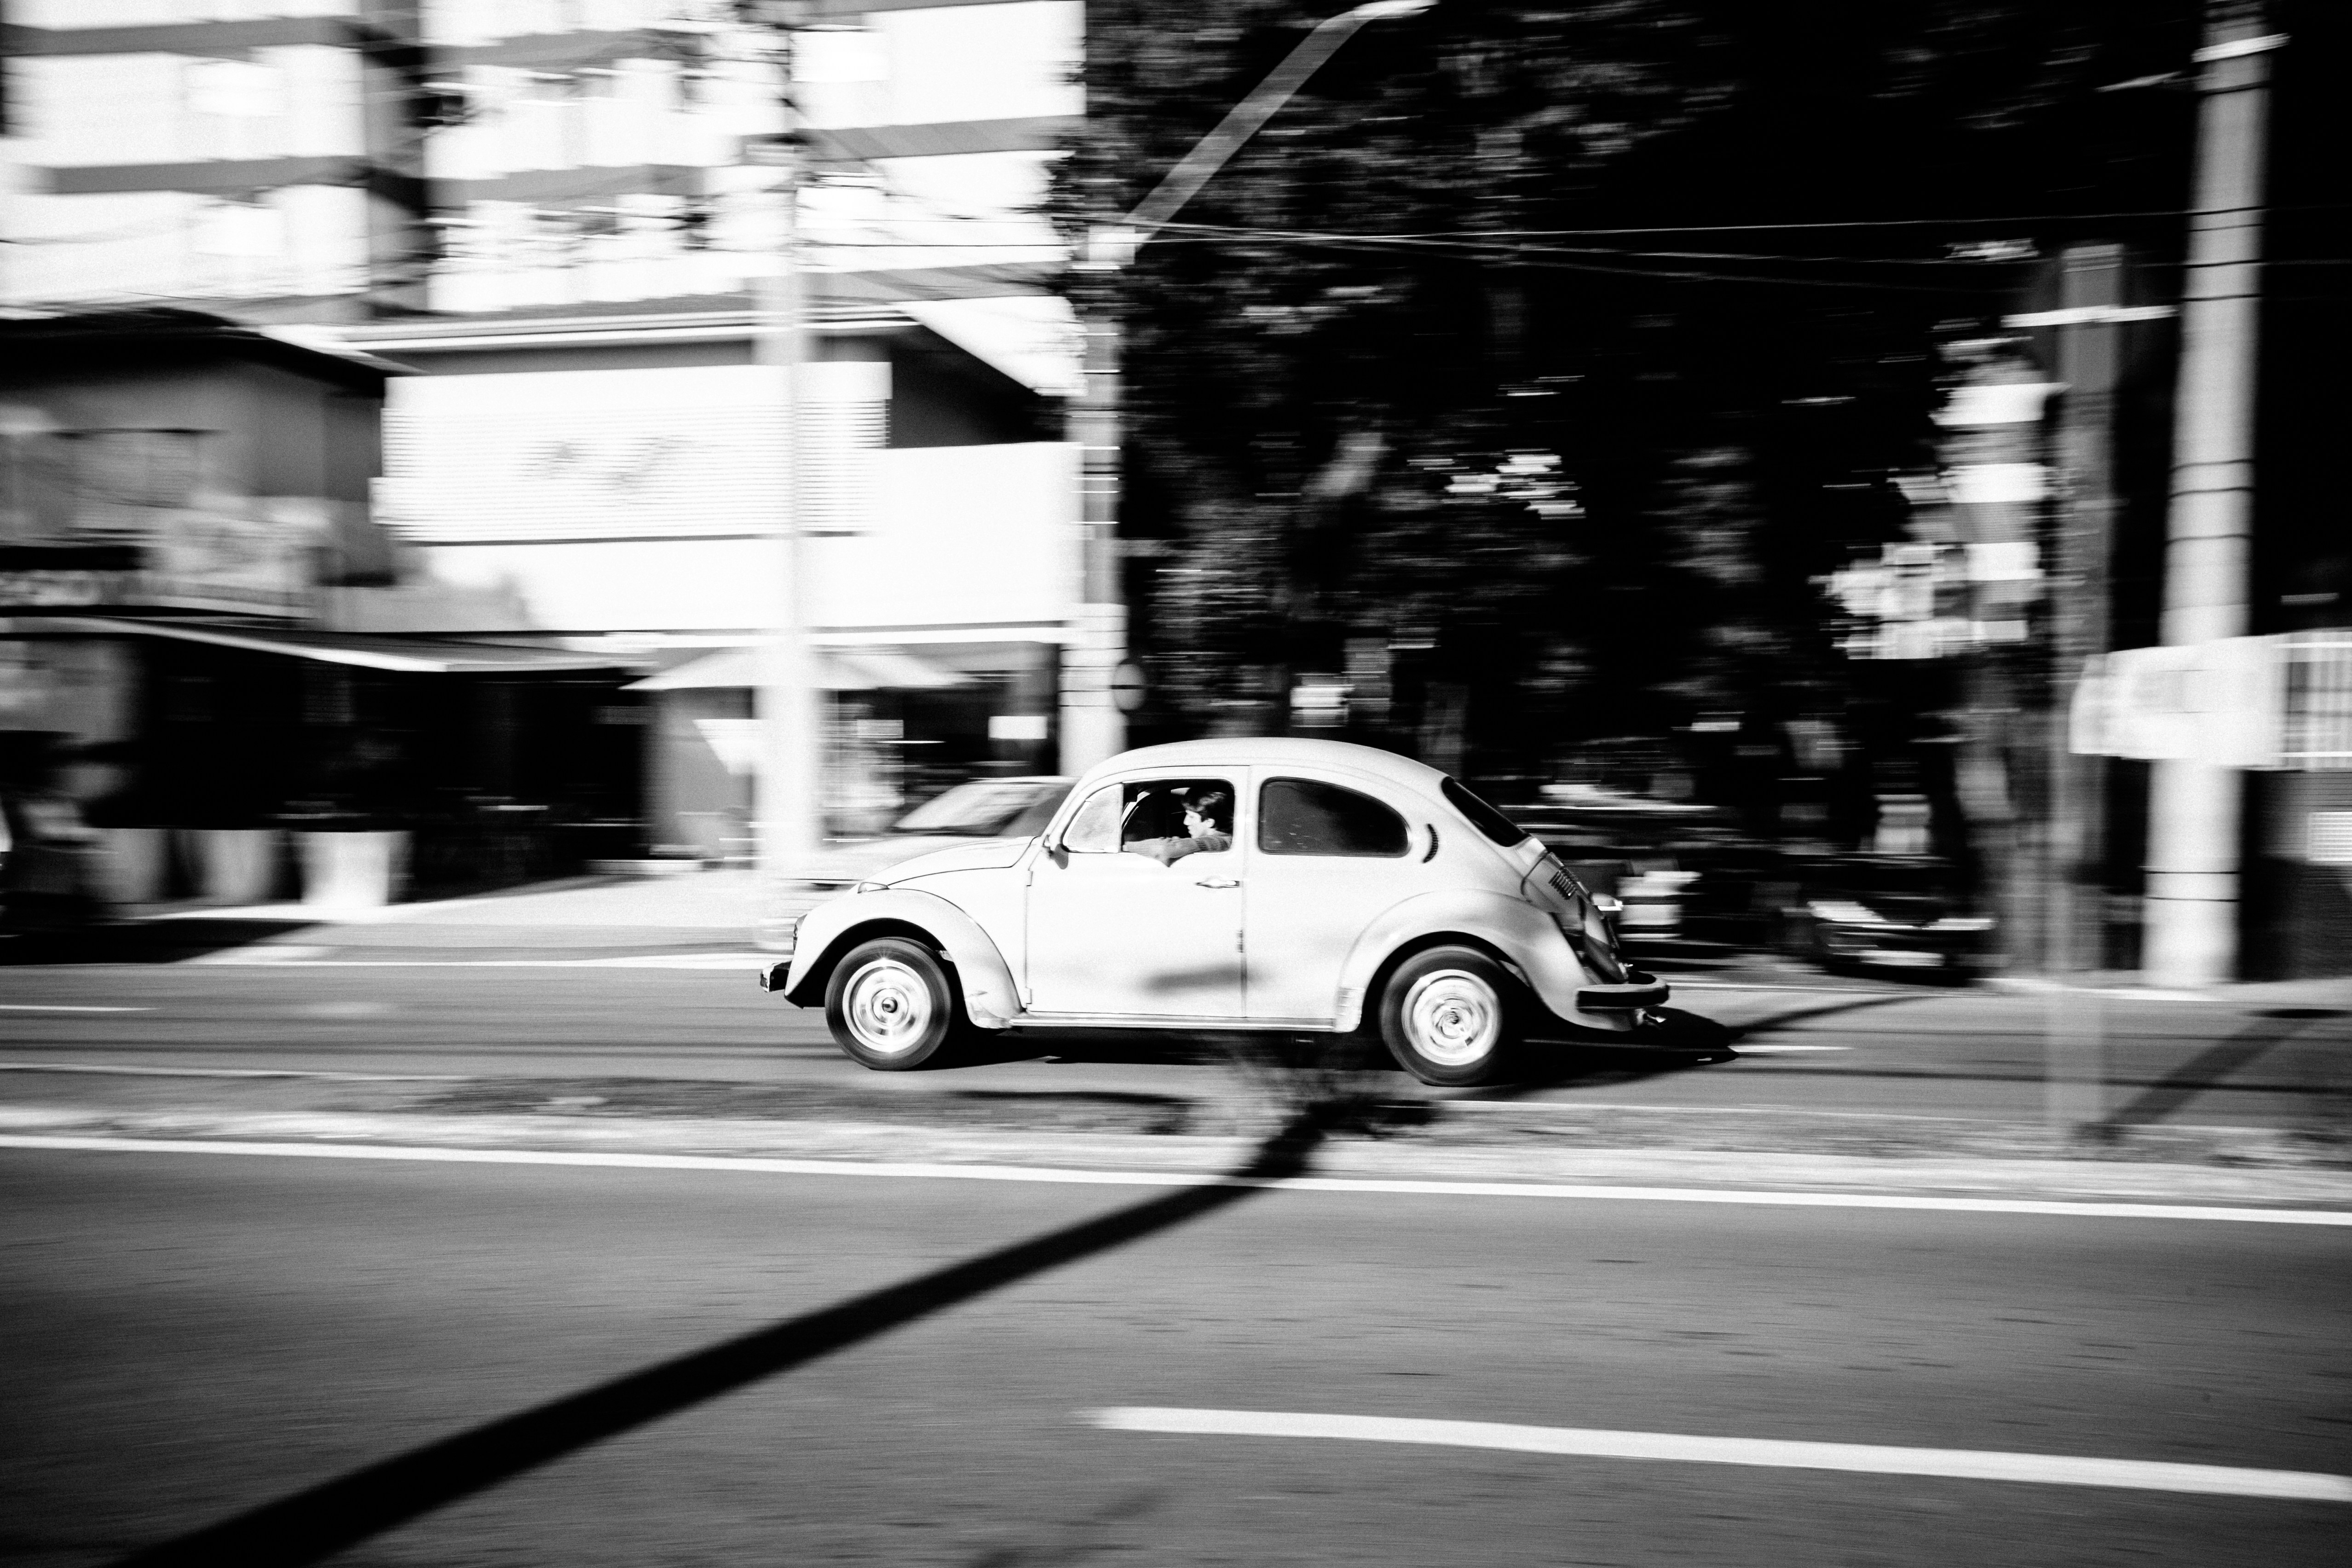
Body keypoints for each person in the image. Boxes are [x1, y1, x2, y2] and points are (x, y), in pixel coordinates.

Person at [1121, 788, 1232, 866]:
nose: (1186, 822)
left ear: (1209, 822)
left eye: (1191, 817)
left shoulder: (1219, 842)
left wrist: (1125, 847)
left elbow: (1165, 849)